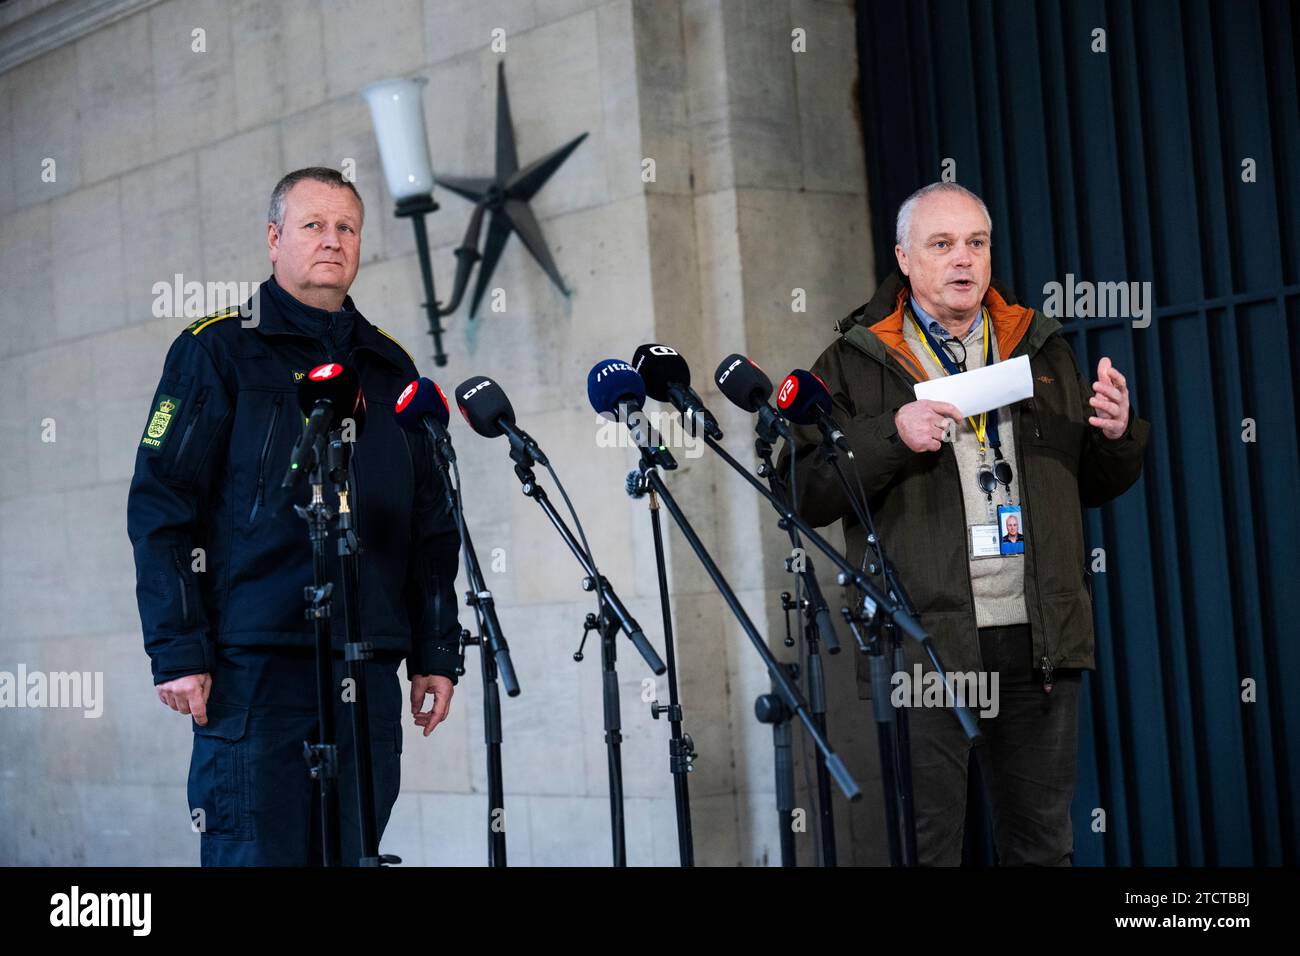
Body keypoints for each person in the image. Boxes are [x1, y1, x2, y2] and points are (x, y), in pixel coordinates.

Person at [780, 181, 1149, 865]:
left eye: (976, 243)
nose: (963, 259)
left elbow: (1092, 484)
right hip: (924, 644)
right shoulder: (852, 363)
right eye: (942, 243)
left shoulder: (1039, 347)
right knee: (930, 849)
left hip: (1040, 636)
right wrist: (890, 434)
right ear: (904, 258)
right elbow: (803, 491)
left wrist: (1117, 434)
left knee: (1043, 849)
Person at [127, 167, 463, 866]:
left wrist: (436, 649)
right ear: (275, 239)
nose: (332, 240)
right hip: (256, 669)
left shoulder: (391, 366)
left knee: (354, 856)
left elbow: (431, 524)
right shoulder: (216, 350)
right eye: (313, 225)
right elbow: (163, 504)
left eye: (347, 228)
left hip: (367, 664)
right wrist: (178, 648)